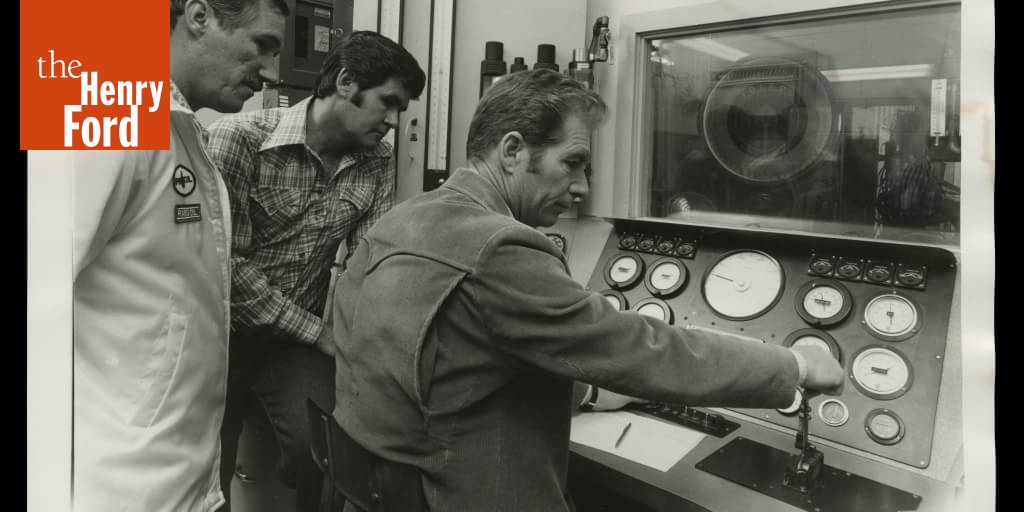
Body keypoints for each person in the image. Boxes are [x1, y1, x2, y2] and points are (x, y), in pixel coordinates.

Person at [328, 68, 846, 511]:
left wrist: (591, 390)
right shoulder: (500, 247)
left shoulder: (403, 218)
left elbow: (456, 364)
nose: (581, 187)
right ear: (512, 151)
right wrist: (794, 366)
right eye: (571, 163)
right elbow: (647, 350)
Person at [71, 1, 288, 511]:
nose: (271, 72)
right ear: (199, 16)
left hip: (184, 480)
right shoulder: (103, 107)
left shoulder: (185, 130)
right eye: (262, 45)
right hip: (116, 488)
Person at [206, 31, 425, 511]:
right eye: (387, 103)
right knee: (207, 478)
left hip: (291, 346)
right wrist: (321, 333)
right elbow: (227, 269)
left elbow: (371, 262)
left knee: (326, 455)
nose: (392, 121)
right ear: (345, 82)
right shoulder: (237, 139)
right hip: (217, 337)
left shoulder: (376, 161)